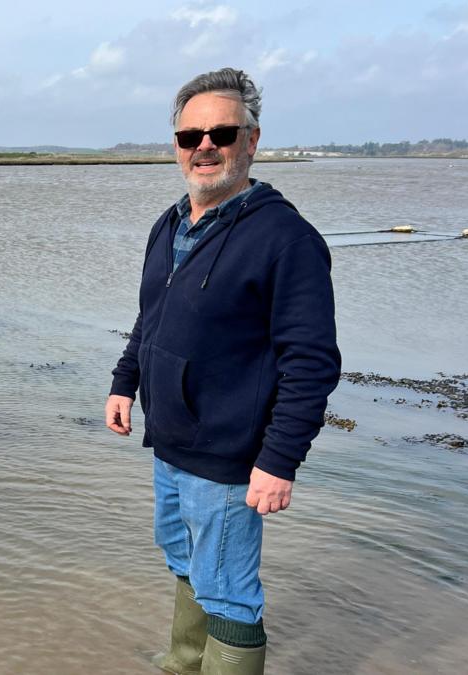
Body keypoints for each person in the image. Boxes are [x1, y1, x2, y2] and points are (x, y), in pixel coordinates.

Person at [106, 68, 341, 675]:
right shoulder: (169, 225)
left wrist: (278, 461)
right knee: (184, 560)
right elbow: (151, 317)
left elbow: (312, 363)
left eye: (222, 133)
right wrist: (124, 383)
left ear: (251, 140)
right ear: (177, 146)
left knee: (229, 589)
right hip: (171, 443)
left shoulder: (287, 239)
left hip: (233, 455)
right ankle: (183, 663)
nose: (204, 146)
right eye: (191, 136)